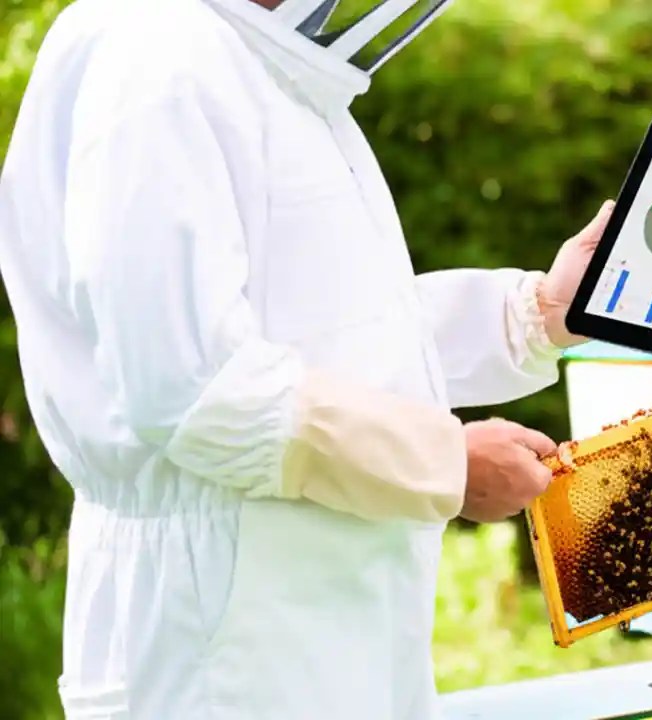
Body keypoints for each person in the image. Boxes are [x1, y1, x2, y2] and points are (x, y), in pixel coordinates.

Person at [0, 0, 614, 717]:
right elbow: (197, 392)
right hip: (223, 647)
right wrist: (449, 463)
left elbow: (331, 328)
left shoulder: (246, 59)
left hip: (306, 624)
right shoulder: (156, 56)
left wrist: (535, 316)